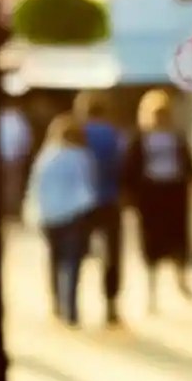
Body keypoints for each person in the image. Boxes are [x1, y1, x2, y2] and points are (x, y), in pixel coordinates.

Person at [122, 90, 192, 313]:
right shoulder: (140, 139)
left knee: (178, 239)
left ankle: (181, 279)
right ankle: (151, 293)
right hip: (151, 193)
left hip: (174, 191)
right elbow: (130, 168)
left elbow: (188, 162)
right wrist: (128, 195)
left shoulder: (177, 138)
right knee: (151, 242)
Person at [24, 113, 97, 327]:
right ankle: (71, 309)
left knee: (54, 260)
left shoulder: (46, 157)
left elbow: (35, 187)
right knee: (72, 262)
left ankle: (56, 305)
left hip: (50, 216)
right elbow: (87, 187)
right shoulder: (81, 157)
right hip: (74, 214)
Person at [74, 92, 125, 325]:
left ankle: (71, 304)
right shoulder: (114, 134)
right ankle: (111, 304)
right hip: (110, 199)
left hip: (81, 202)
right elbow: (123, 165)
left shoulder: (79, 134)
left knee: (76, 252)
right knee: (112, 254)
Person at [0, 94, 33, 218]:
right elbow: (26, 140)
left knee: (2, 185)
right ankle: (11, 210)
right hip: (15, 159)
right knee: (13, 185)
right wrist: (25, 155)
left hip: (2, 157)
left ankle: (3, 209)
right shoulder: (20, 119)